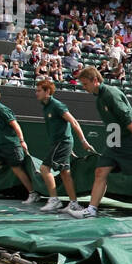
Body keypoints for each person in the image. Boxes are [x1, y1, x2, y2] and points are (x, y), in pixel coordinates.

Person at [66, 66, 132, 218]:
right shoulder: (99, 98)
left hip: (129, 140)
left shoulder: (111, 94)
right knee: (100, 172)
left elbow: (128, 119)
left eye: (85, 84)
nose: (84, 87)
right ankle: (92, 210)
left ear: (95, 80)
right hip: (114, 142)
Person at [35, 79, 95, 213]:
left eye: (39, 91)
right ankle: (73, 203)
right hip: (61, 143)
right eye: (36, 90)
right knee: (65, 174)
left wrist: (84, 141)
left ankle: (54, 200)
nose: (36, 93)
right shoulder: (45, 106)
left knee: (44, 169)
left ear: (47, 91)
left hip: (62, 142)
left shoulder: (57, 105)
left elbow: (73, 122)